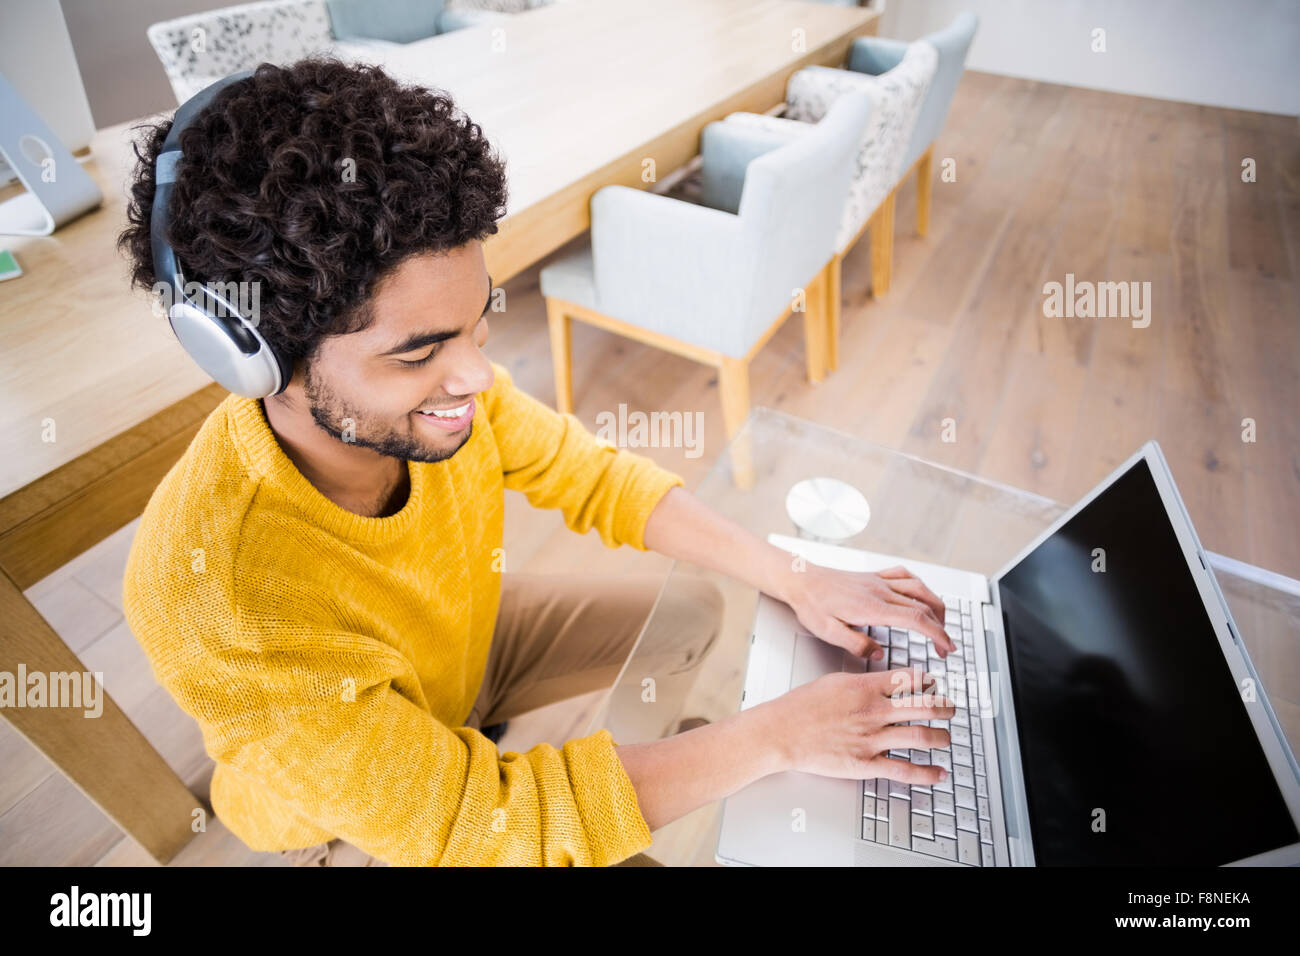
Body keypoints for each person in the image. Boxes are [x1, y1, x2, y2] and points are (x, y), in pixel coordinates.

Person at [117, 58, 957, 867]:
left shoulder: (447, 399)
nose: (478, 377)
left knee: (691, 611)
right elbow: (476, 822)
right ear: (254, 359)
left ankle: (631, 757)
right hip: (346, 806)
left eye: (478, 322)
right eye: (419, 355)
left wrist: (798, 574)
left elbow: (592, 475)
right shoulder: (219, 605)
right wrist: (772, 740)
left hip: (459, 653)